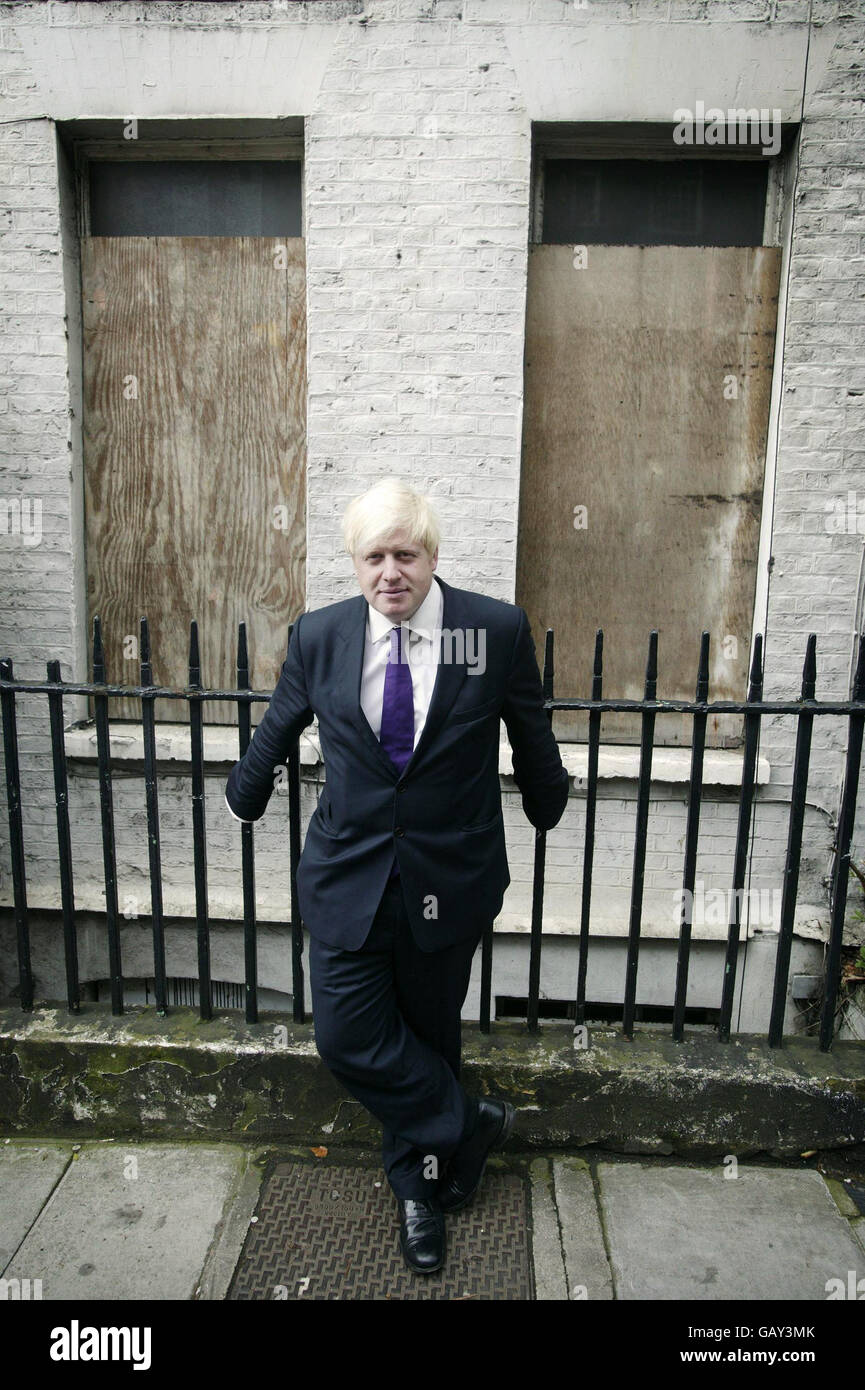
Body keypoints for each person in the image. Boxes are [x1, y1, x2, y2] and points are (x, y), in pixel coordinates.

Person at [225, 476, 569, 1275]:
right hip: (348, 878)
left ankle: (419, 1191)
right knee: (348, 1037)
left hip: (448, 878)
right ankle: (467, 1124)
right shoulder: (323, 636)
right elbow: (283, 717)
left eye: (405, 555)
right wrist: (247, 787)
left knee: (427, 1037)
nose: (390, 573)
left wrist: (547, 798)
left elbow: (528, 725)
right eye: (373, 557)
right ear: (355, 563)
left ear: (431, 556)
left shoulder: (487, 630)